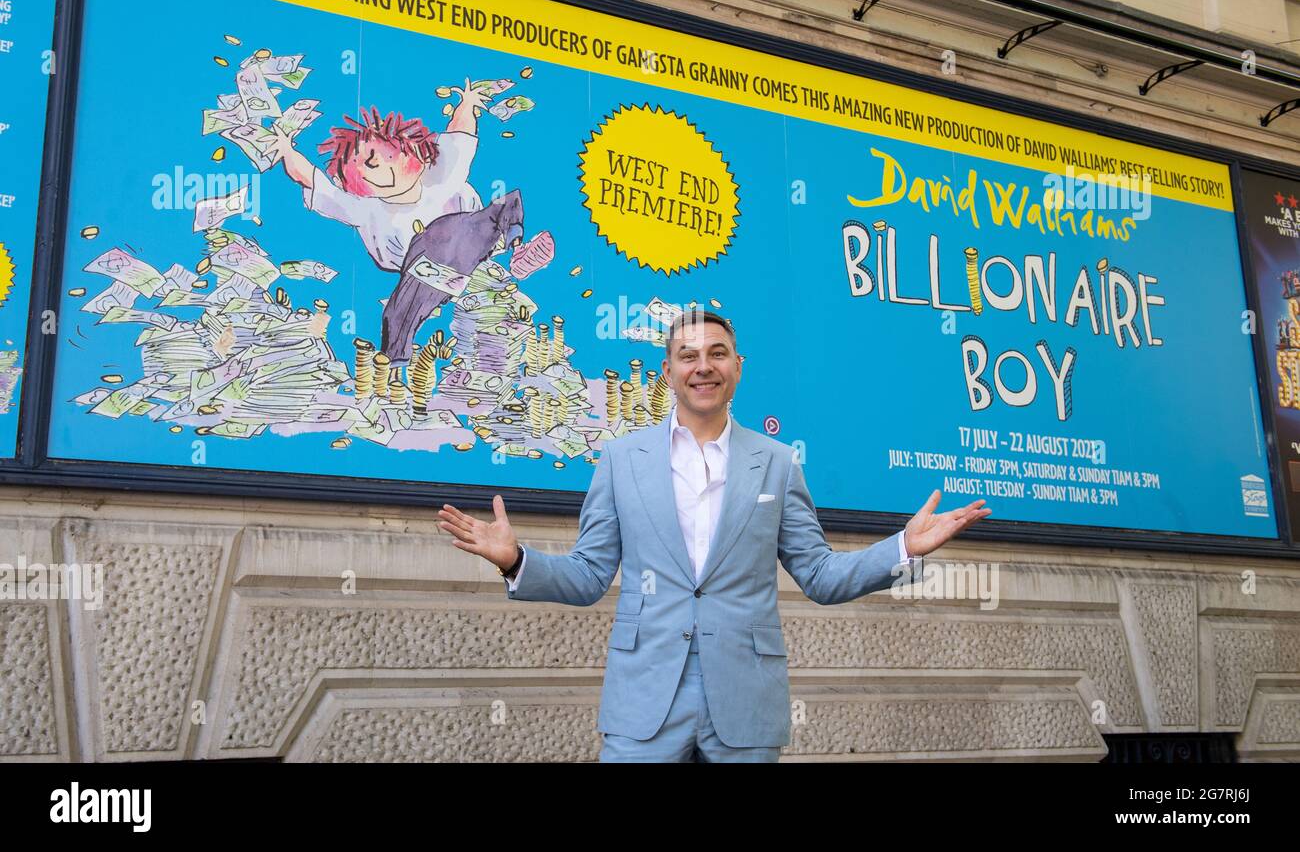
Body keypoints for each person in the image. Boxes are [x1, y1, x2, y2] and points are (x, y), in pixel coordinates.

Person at [436, 310, 991, 762]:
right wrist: (516, 561)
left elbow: (820, 576)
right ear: (668, 372)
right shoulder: (621, 460)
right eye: (688, 356)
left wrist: (902, 548)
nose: (703, 367)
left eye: (716, 354)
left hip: (746, 703)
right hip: (644, 700)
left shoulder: (778, 464)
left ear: (738, 367)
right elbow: (587, 577)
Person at [270, 79, 526, 365]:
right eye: (369, 164)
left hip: (471, 238)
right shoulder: (365, 208)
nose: (386, 164)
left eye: (392, 154)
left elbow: (459, 134)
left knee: (506, 202)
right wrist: (286, 151)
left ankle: (511, 242)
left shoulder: (441, 175)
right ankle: (394, 359)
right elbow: (314, 180)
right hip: (419, 268)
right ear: (359, 184)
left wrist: (466, 104)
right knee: (397, 312)